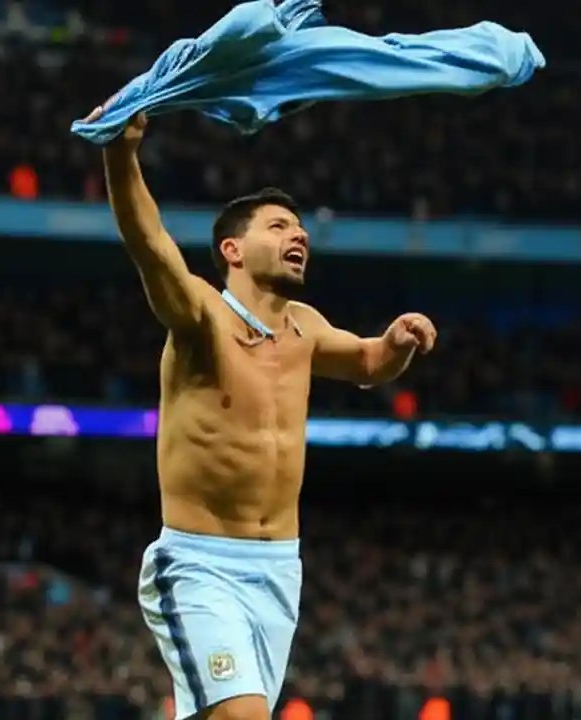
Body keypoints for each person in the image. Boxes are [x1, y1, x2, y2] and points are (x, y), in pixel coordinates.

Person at [95, 110, 437, 720]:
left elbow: (364, 363)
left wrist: (396, 342)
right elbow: (150, 245)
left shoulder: (304, 329)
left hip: (279, 569)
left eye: (301, 229)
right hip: (200, 564)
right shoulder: (202, 318)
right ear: (232, 248)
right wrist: (120, 155)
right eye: (279, 226)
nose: (298, 236)